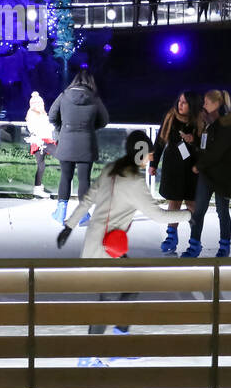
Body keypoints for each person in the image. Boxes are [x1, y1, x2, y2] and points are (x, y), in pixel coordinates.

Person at [57, 130, 191, 366]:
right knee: (108, 299)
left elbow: (87, 199)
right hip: (105, 250)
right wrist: (189, 215)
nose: (151, 157)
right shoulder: (134, 181)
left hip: (102, 245)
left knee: (132, 285)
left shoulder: (111, 169)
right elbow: (158, 216)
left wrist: (69, 226)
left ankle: (119, 342)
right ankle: (87, 357)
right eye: (150, 153)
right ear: (141, 154)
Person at [184, 90, 231, 258]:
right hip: (207, 174)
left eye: (207, 103)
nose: (204, 105)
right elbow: (206, 146)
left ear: (216, 104)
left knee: (222, 211)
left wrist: (199, 165)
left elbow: (217, 151)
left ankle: (224, 246)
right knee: (199, 211)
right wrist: (193, 141)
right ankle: (194, 245)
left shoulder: (225, 125)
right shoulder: (209, 123)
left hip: (222, 175)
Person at [48, 69, 111, 224]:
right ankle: (83, 215)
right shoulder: (94, 98)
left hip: (67, 142)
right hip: (86, 143)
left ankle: (61, 213)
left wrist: (61, 129)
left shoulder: (64, 95)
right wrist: (89, 128)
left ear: (75, 81)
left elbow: (52, 116)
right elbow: (104, 120)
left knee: (65, 177)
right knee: (84, 180)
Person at [151, 91, 200, 254]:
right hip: (172, 167)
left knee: (192, 204)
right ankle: (171, 236)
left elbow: (205, 146)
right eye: (179, 101)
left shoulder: (199, 120)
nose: (180, 104)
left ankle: (195, 240)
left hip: (192, 168)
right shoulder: (170, 117)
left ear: (191, 105)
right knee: (174, 202)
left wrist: (193, 141)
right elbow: (160, 141)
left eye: (184, 102)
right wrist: (153, 163)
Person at [24, 91, 56, 198]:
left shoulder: (40, 113)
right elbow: (36, 128)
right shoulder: (33, 113)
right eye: (40, 103)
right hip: (40, 141)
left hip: (42, 140)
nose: (42, 105)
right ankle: (38, 189)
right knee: (61, 155)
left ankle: (37, 188)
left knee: (41, 165)